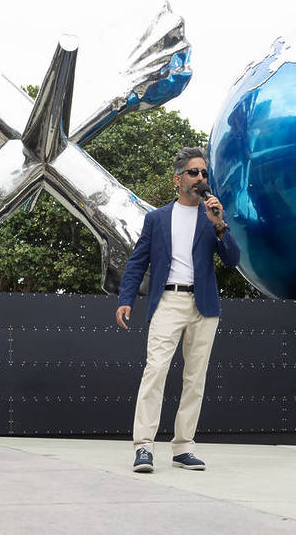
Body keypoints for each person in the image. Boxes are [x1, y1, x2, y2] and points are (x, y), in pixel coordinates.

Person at [115, 146, 241, 473]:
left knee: (195, 379)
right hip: (168, 302)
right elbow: (137, 261)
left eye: (204, 173)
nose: (200, 178)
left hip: (204, 306)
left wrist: (220, 225)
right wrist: (126, 298)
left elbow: (232, 259)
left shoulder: (211, 217)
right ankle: (144, 447)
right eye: (193, 172)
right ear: (178, 179)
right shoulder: (157, 218)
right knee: (155, 371)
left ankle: (184, 448)